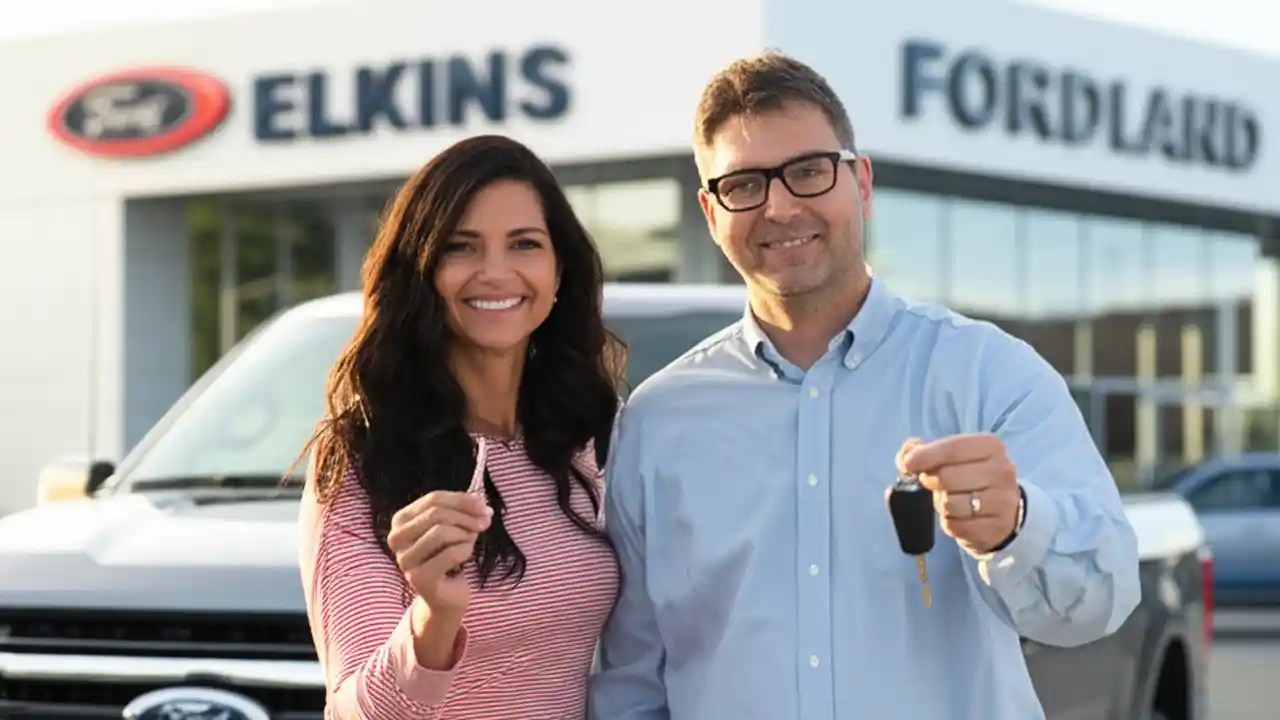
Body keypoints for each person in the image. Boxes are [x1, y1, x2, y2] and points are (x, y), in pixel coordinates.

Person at [587, 51, 1141, 719]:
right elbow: (633, 684)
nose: (781, 206)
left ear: (862, 182)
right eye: (744, 185)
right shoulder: (657, 423)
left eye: (809, 172)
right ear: (710, 211)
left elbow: (1099, 600)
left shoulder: (989, 375)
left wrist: (1016, 525)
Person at [296, 134, 625, 719]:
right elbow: (351, 713)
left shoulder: (592, 437)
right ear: (420, 270)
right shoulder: (360, 460)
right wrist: (433, 617)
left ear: (559, 269)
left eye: (524, 244)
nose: (495, 273)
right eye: (460, 247)